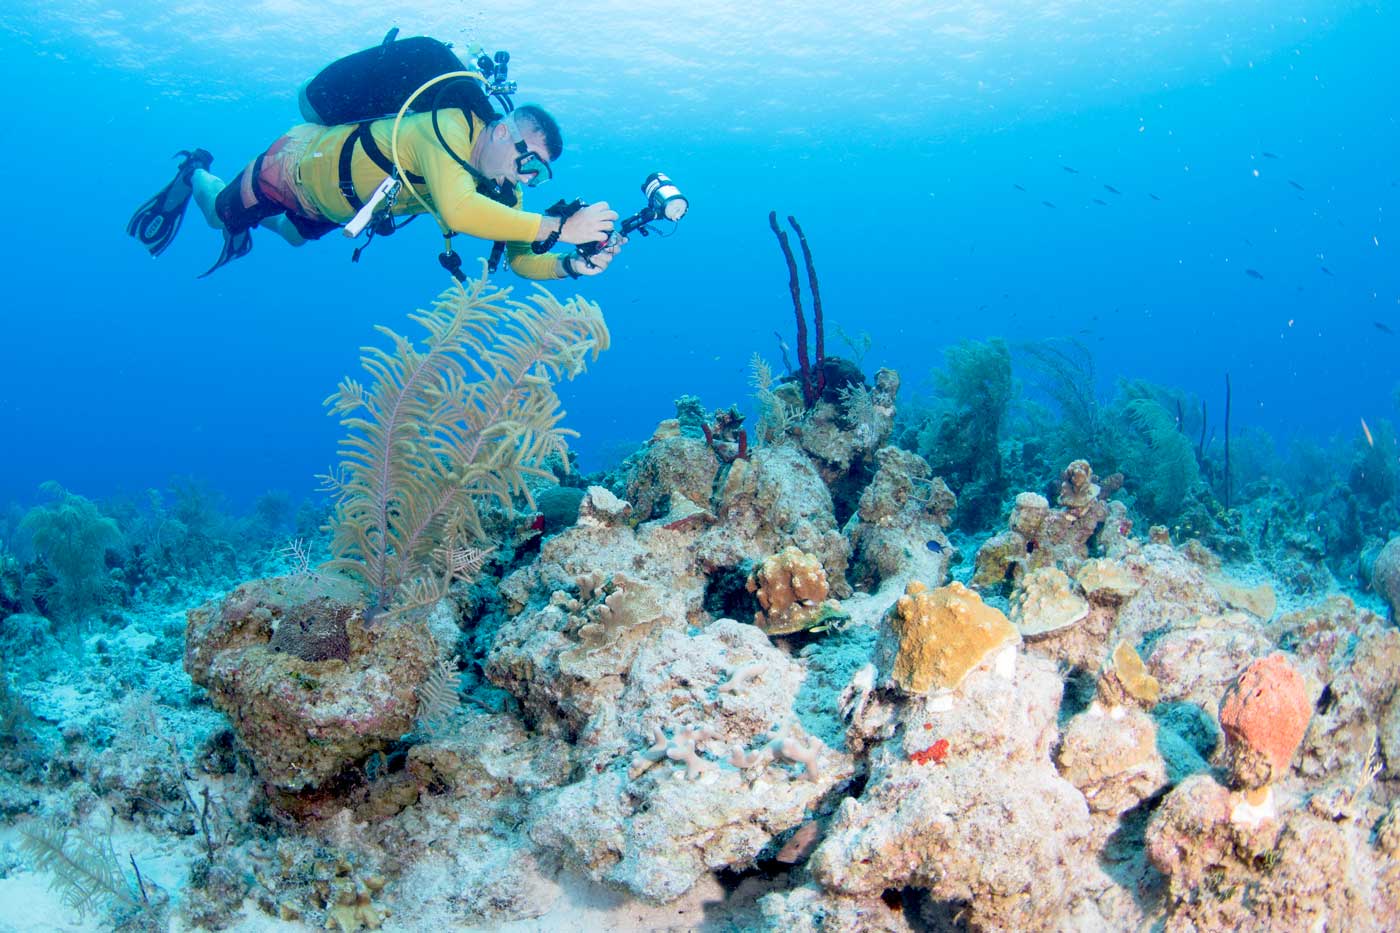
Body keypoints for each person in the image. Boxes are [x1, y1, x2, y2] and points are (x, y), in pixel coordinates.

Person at [128, 97, 622, 280]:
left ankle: (256, 220)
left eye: (538, 171)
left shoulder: (503, 190)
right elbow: (457, 212)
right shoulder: (448, 126)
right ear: (499, 130)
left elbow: (519, 259)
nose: (524, 176)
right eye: (527, 158)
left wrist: (570, 263)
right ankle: (194, 171)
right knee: (219, 213)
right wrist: (561, 226)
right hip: (294, 166)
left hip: (336, 210)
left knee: (296, 238)